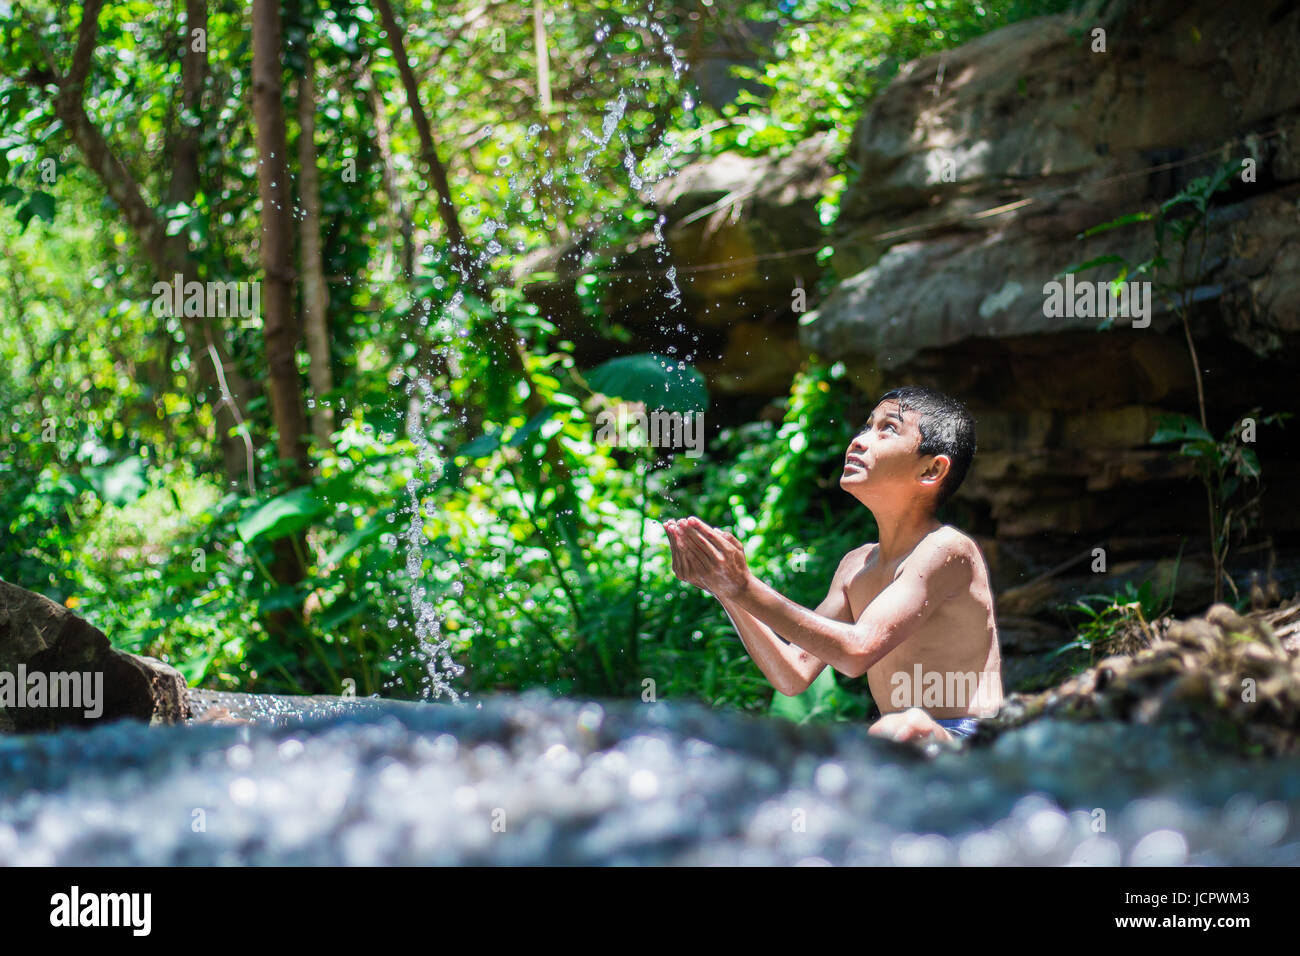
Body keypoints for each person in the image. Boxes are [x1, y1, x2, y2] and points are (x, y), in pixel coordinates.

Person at [665, 385, 1001, 745]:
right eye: (866, 426)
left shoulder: (948, 548)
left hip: (973, 742)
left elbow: (856, 652)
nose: (859, 440)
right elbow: (793, 674)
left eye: (887, 428)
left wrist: (745, 585)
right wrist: (725, 590)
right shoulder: (855, 565)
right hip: (905, 745)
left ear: (932, 469)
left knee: (901, 727)